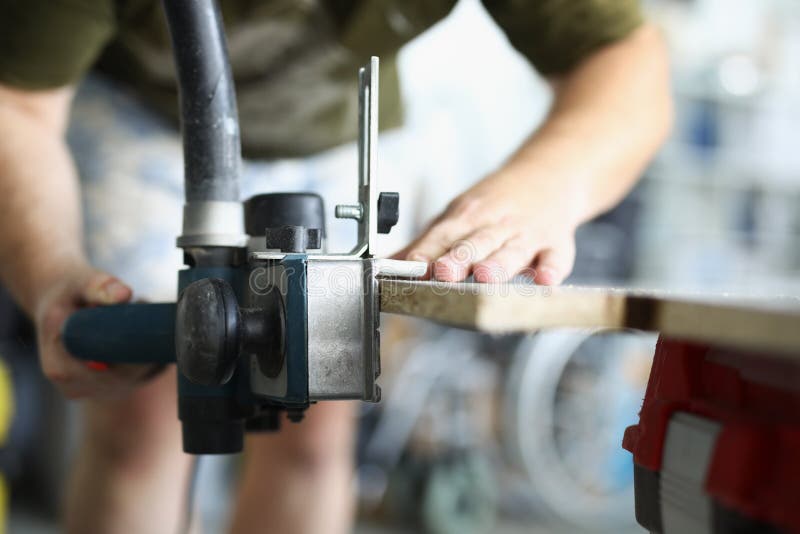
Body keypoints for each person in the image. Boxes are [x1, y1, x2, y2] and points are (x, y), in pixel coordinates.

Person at [0, 1, 672, 533]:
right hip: (142, 108)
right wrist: (52, 271)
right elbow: (17, 106)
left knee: (319, 408)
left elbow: (623, 60)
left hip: (332, 123)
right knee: (143, 413)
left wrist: (545, 187)